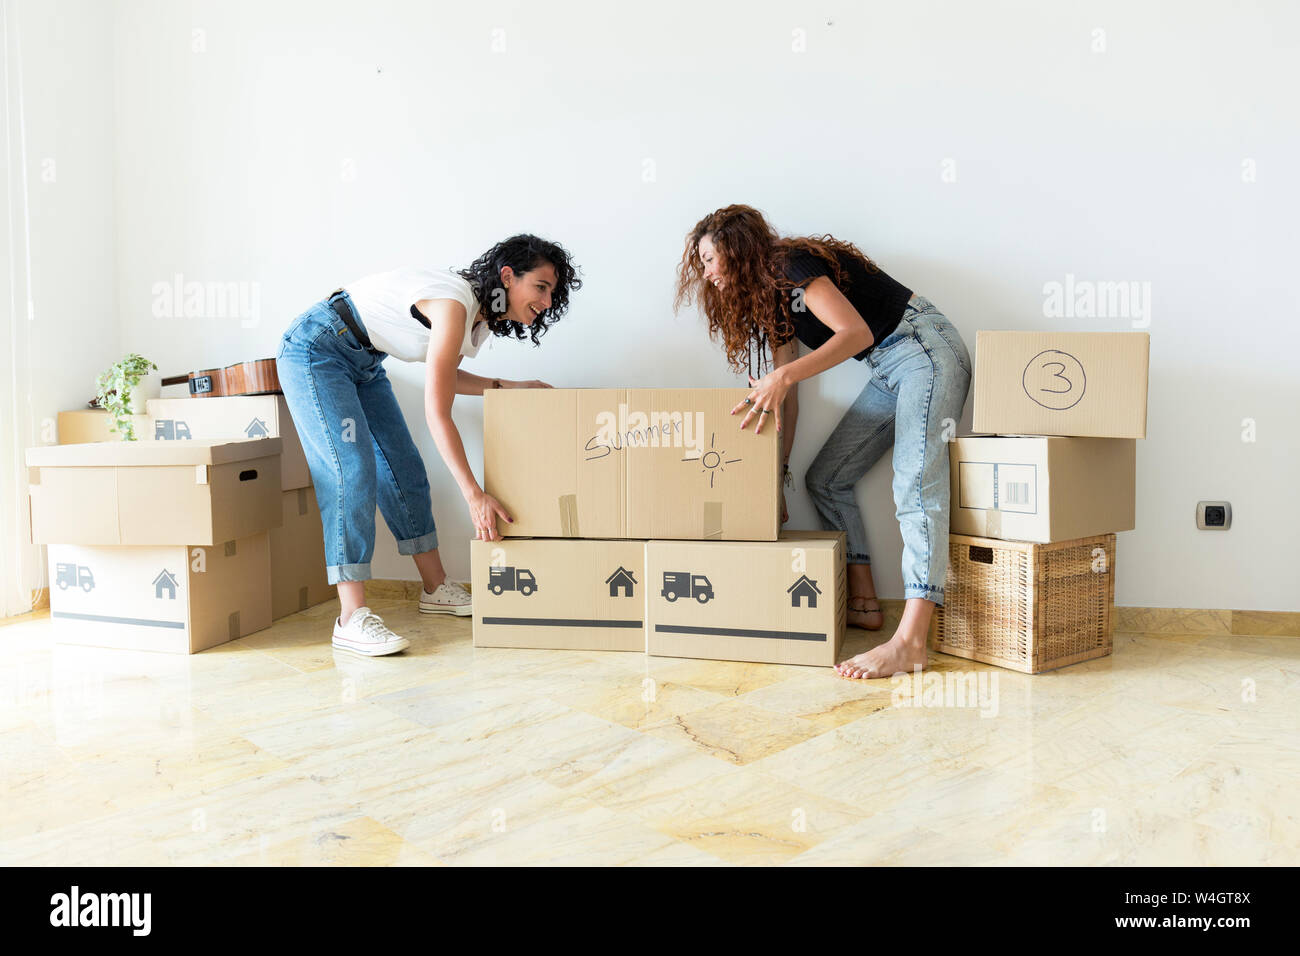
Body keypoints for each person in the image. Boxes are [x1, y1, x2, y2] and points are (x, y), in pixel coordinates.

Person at [675, 205, 970, 679]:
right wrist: (778, 474)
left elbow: (853, 333)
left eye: (709, 260)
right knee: (826, 479)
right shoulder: (768, 302)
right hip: (889, 369)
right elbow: (786, 399)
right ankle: (865, 603)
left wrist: (782, 375)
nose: (706, 274)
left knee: (916, 486)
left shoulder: (788, 263)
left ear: (735, 249)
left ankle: (911, 642)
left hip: (924, 351)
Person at [276, 235, 581, 656]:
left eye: (552, 293)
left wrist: (512, 387)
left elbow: (447, 375)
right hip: (318, 348)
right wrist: (474, 495)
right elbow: (438, 412)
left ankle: (436, 588)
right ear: (508, 277)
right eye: (541, 287)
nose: (547, 302)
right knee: (352, 469)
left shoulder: (478, 318)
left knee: (404, 468)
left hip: (365, 361)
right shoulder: (455, 305)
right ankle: (350, 618)